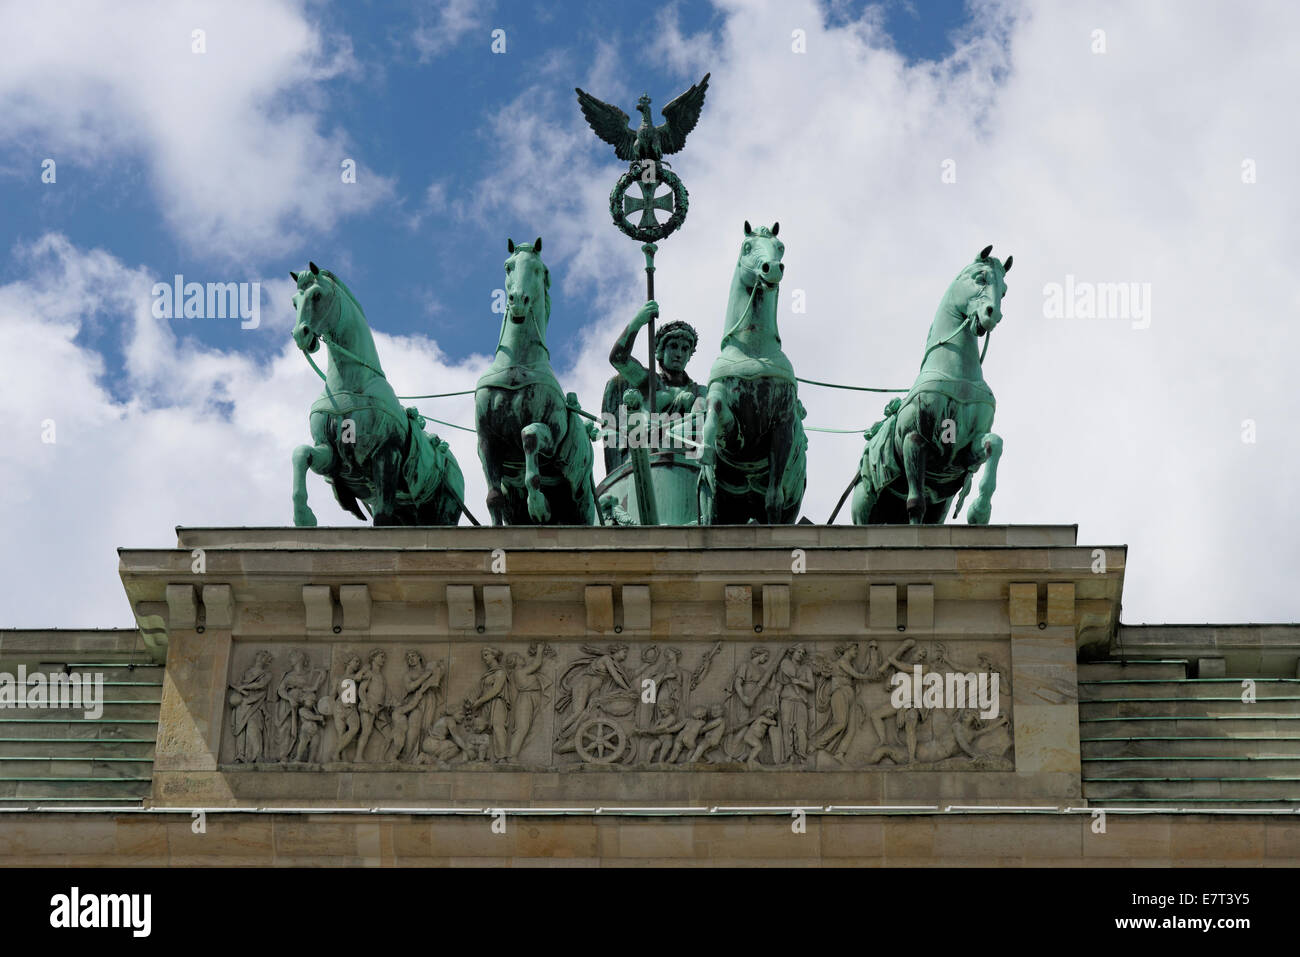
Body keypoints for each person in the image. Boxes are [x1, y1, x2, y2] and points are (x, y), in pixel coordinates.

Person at [601, 301, 706, 471]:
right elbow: (618, 358)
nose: (679, 353)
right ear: (659, 352)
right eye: (673, 346)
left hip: (686, 462)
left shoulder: (698, 391)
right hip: (648, 460)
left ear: (689, 355)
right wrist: (638, 321)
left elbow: (701, 425)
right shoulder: (649, 382)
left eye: (685, 349)